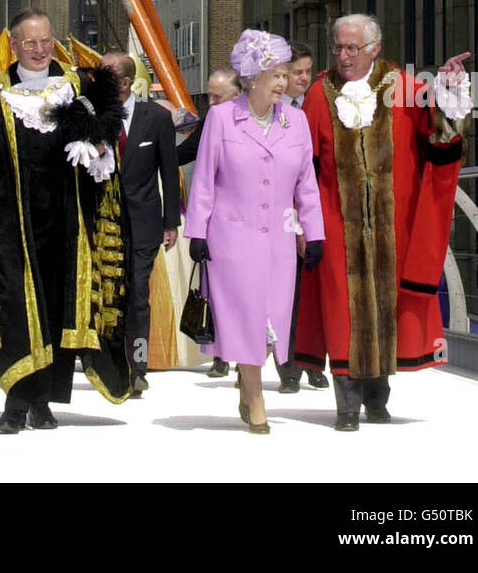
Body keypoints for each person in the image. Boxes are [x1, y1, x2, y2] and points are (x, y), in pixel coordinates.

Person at [0, 9, 131, 433]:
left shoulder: (78, 86)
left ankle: (43, 400)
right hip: (11, 226)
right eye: (30, 43)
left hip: (69, 222)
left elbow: (106, 139)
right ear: (14, 45)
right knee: (15, 307)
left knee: (59, 309)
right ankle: (16, 402)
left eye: (46, 42)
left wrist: (100, 152)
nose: (38, 50)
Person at [294, 14, 472, 431]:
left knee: (386, 311)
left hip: (396, 226)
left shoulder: (407, 90)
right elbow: (302, 166)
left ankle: (377, 396)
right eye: (338, 47)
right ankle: (346, 405)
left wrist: (446, 91)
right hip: (336, 225)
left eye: (352, 48)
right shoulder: (318, 96)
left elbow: (442, 140)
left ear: (375, 47)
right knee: (342, 311)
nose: (343, 56)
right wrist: (302, 222)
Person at [185, 30, 325, 434]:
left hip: (279, 240)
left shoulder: (296, 122)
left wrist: (314, 234)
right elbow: (205, 180)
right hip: (232, 239)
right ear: (253, 77)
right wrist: (198, 231)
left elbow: (307, 185)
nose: (283, 83)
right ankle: (257, 395)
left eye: (285, 75)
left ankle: (247, 388)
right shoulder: (222, 117)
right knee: (247, 318)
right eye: (275, 74)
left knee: (272, 322)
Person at [100, 51, 180, 396]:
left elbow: (169, 171)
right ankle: (108, 365)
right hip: (103, 222)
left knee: (136, 295)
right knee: (107, 295)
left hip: (144, 223)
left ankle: (139, 367)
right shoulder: (93, 116)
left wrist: (170, 222)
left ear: (125, 83)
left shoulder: (155, 118)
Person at [177, 67, 240, 378]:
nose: (211, 103)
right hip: (214, 221)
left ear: (237, 97)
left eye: (218, 97)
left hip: (246, 221)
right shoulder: (208, 125)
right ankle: (219, 354)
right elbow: (185, 153)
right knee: (213, 288)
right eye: (209, 96)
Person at [274, 42, 330, 394]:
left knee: (315, 293)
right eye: (297, 73)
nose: (304, 79)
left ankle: (313, 363)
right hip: (282, 216)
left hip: (316, 212)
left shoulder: (319, 107)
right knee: (288, 298)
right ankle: (289, 369)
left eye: (308, 72)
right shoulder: (274, 113)